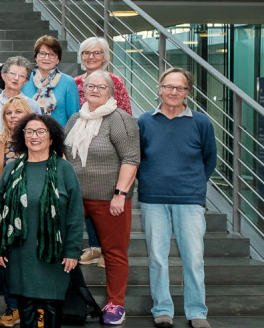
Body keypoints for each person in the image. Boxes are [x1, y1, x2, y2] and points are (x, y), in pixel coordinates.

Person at [138, 68, 216, 328]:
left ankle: (196, 312)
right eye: (168, 86)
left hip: (189, 199)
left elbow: (209, 159)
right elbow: (136, 159)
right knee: (158, 258)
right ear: (159, 88)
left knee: (194, 258)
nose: (173, 92)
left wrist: (193, 185)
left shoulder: (201, 122)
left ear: (188, 92)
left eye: (180, 88)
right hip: (153, 198)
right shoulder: (144, 121)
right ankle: (162, 309)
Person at [0, 114, 84, 328]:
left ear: (51, 138)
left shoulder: (64, 169)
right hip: (20, 255)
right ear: (22, 137)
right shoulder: (12, 169)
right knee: (27, 311)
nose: (35, 136)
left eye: (41, 131)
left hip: (54, 256)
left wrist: (72, 251)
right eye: (29, 131)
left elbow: (75, 215)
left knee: (52, 312)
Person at [64, 71, 140, 326]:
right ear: (83, 89)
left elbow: (131, 158)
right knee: (61, 246)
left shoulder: (120, 119)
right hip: (76, 199)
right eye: (90, 86)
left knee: (114, 252)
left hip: (110, 200)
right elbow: (64, 155)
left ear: (110, 91)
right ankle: (65, 299)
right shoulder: (76, 118)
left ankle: (115, 304)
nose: (94, 90)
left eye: (101, 87)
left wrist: (120, 194)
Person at [0, 96, 37, 327]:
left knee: (35, 263)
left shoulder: (42, 141)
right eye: (9, 113)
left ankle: (38, 309)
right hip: (4, 214)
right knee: (5, 262)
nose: (14, 116)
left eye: (19, 111)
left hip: (36, 215)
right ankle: (13, 307)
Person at [22, 35, 81, 126]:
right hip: (30, 135)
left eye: (52, 55)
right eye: (42, 53)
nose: (46, 58)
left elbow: (74, 118)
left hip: (59, 137)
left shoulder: (68, 82)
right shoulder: (24, 80)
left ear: (58, 60)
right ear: (36, 57)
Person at [75, 37, 133, 114]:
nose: (91, 57)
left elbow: (126, 113)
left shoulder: (115, 81)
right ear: (82, 57)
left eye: (97, 53)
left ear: (104, 57)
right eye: (86, 53)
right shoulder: (74, 83)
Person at [0, 57, 38, 144]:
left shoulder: (32, 105)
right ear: (4, 75)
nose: (16, 78)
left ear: (26, 81)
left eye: (22, 76)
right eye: (13, 73)